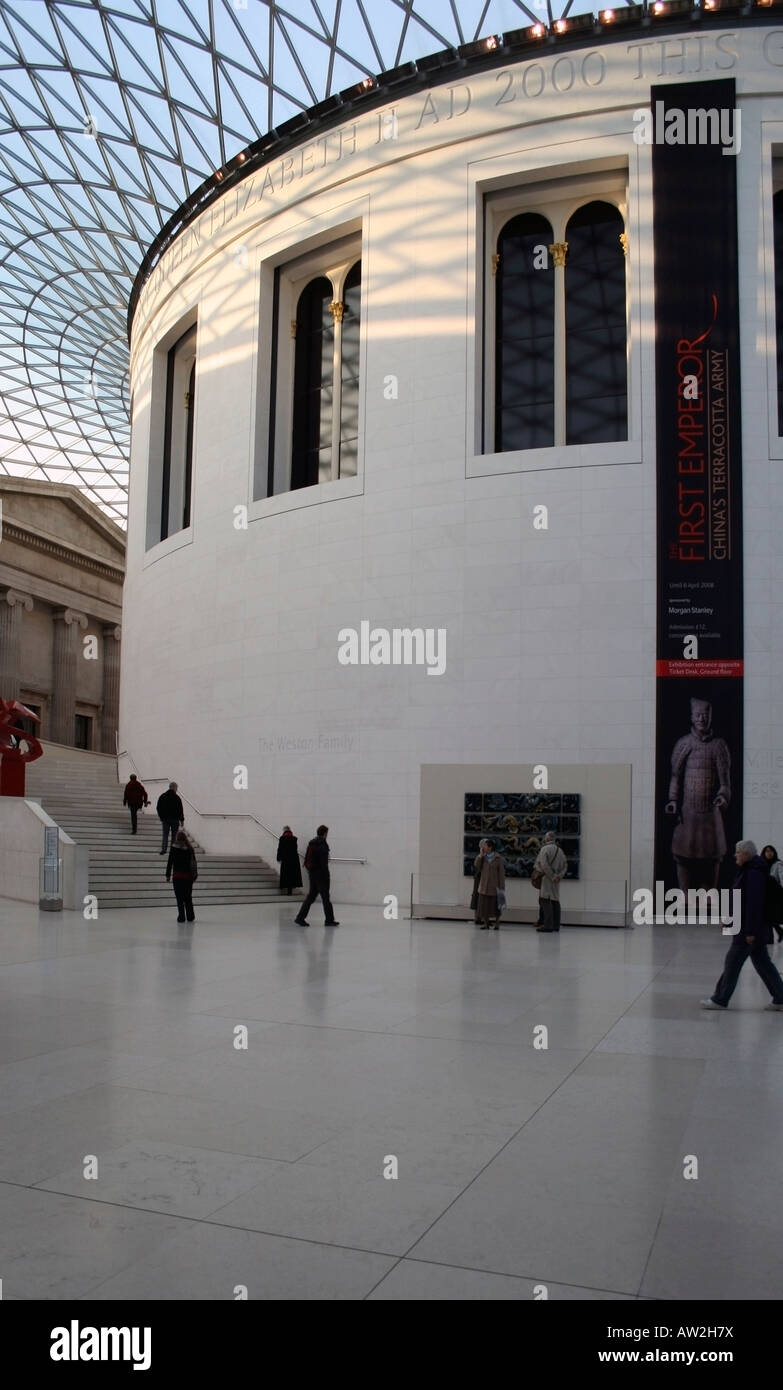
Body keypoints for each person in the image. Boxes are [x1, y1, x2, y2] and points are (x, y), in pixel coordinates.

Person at [701, 840, 783, 1010]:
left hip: (748, 929)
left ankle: (720, 999)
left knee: (733, 961)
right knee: (763, 964)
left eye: (738, 852)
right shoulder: (749, 871)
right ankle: (780, 998)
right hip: (751, 927)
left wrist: (750, 931)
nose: (735, 855)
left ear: (746, 854)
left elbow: (753, 904)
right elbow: (739, 901)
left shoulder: (753, 874)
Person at [665, 697, 730, 892]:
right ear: (692, 717)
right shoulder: (684, 744)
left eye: (706, 715)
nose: (702, 718)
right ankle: (685, 898)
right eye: (698, 715)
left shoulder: (719, 746)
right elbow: (675, 776)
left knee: (711, 859)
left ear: (711, 717)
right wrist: (673, 801)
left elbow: (725, 783)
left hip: (710, 814)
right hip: (688, 813)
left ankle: (707, 902)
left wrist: (722, 796)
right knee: (683, 856)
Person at [294, 825, 339, 926]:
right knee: (326, 898)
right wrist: (326, 876)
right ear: (324, 833)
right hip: (321, 875)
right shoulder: (321, 845)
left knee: (311, 897)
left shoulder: (312, 843)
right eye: (327, 833)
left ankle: (300, 917)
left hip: (313, 874)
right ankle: (329, 920)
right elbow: (323, 863)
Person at [534, 830, 567, 932]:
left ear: (547, 838)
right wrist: (559, 876)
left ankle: (548, 925)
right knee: (555, 901)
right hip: (556, 880)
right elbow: (565, 865)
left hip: (546, 879)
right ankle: (556, 925)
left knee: (545, 900)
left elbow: (544, 865)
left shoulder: (544, 849)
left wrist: (552, 876)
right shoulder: (560, 851)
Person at [165, 829, 197, 923]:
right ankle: (190, 916)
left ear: (177, 838)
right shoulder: (190, 849)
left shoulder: (174, 848)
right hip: (188, 877)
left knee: (179, 898)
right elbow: (194, 863)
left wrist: (167, 875)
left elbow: (170, 862)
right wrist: (195, 874)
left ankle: (181, 917)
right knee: (188, 897)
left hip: (177, 876)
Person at [474, 838, 505, 930]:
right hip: (484, 886)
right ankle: (486, 924)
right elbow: (476, 865)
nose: (483, 848)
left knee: (496, 907)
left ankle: (497, 924)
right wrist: (480, 855)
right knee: (484, 907)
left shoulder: (498, 858)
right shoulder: (483, 857)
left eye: (485, 846)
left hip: (495, 886)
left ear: (490, 847)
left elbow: (501, 873)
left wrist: (502, 886)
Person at [761, 844, 783, 944]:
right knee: (767, 916)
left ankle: (770, 938)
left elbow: (782, 879)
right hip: (764, 894)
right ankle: (777, 933)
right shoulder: (761, 864)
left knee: (770, 915)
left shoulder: (778, 864)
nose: (769, 853)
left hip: (775, 894)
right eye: (767, 851)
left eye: (771, 851)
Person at [157, 782, 184, 855]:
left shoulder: (163, 796)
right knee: (174, 836)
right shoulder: (177, 798)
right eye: (176, 788)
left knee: (165, 835)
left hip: (165, 819)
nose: (177, 790)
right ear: (174, 788)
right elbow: (180, 809)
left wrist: (161, 817)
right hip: (175, 820)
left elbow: (158, 807)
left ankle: (164, 849)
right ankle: (173, 850)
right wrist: (182, 820)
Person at [277, 826, 302, 895]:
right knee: (291, 875)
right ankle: (289, 891)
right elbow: (295, 849)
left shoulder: (282, 838)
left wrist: (279, 857)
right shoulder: (294, 839)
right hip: (293, 859)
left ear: (284, 831)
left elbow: (280, 849)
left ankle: (282, 886)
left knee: (285, 874)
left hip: (285, 859)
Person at [470, 839, 488, 924]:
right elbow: (476, 864)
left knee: (486, 899)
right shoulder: (479, 856)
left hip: (487, 879)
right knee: (476, 897)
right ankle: (477, 918)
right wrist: (481, 855)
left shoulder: (490, 856)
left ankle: (485, 919)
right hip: (478, 879)